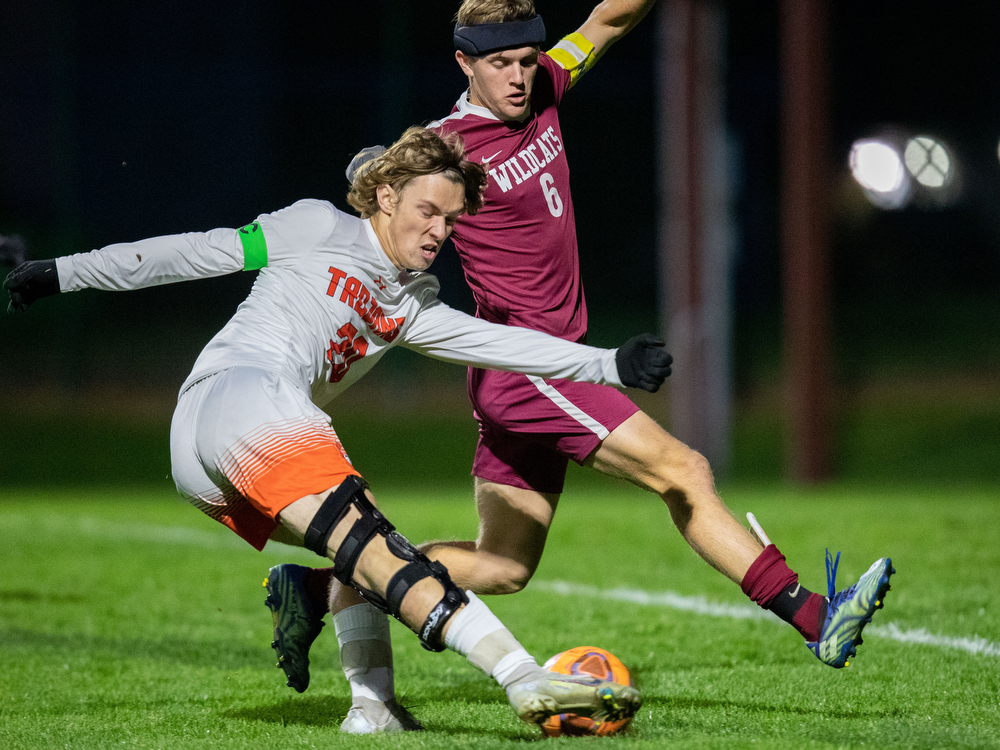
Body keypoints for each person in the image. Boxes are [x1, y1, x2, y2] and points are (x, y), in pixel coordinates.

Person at [265, 0, 894, 724]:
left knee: (503, 567)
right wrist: (375, 181)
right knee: (682, 471)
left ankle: (317, 589)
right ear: (465, 63)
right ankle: (817, 619)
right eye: (498, 64)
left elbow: (608, 21)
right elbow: (388, 202)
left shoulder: (546, 89)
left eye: (526, 61)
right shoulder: (448, 148)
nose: (517, 77)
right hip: (532, 371)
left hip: (534, 375)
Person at [4, 126, 676, 733]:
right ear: (384, 197)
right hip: (242, 395)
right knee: (374, 547)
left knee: (369, 543)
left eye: (451, 218)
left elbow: (498, 342)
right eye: (428, 211)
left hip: (216, 451)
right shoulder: (314, 226)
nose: (441, 231)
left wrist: (607, 363)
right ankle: (525, 679)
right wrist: (62, 274)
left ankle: (372, 707)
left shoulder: (410, 304)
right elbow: (191, 252)